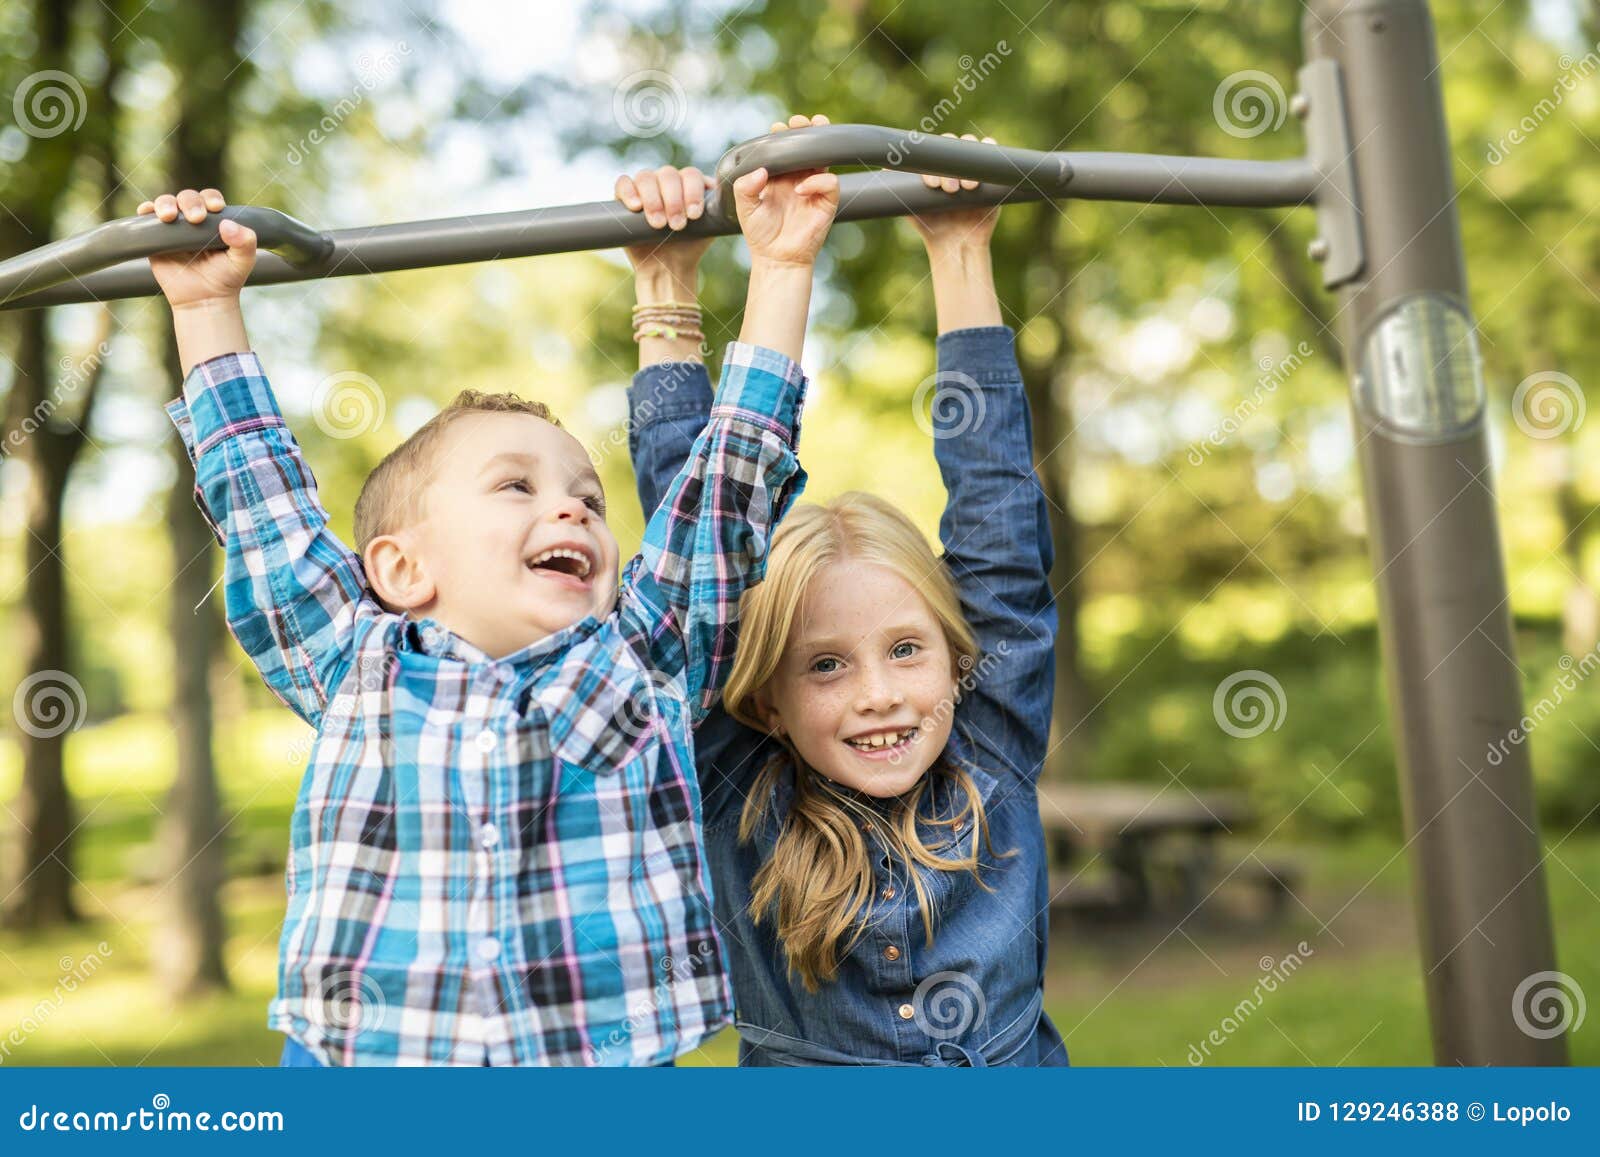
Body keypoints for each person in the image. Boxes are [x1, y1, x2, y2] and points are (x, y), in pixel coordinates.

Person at [141, 139, 837, 1065]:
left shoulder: (639, 660)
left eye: (589, 499)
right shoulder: (356, 661)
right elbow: (259, 501)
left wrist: (783, 263)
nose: (569, 507)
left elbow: (730, 485)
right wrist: (204, 307)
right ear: (399, 569)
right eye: (515, 486)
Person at [621, 115, 1067, 1065]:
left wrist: (959, 250)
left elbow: (998, 522)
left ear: (961, 658)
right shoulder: (740, 779)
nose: (878, 692)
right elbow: (699, 544)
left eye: (906, 648)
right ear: (768, 700)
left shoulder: (988, 740)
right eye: (824, 664)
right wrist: (667, 288)